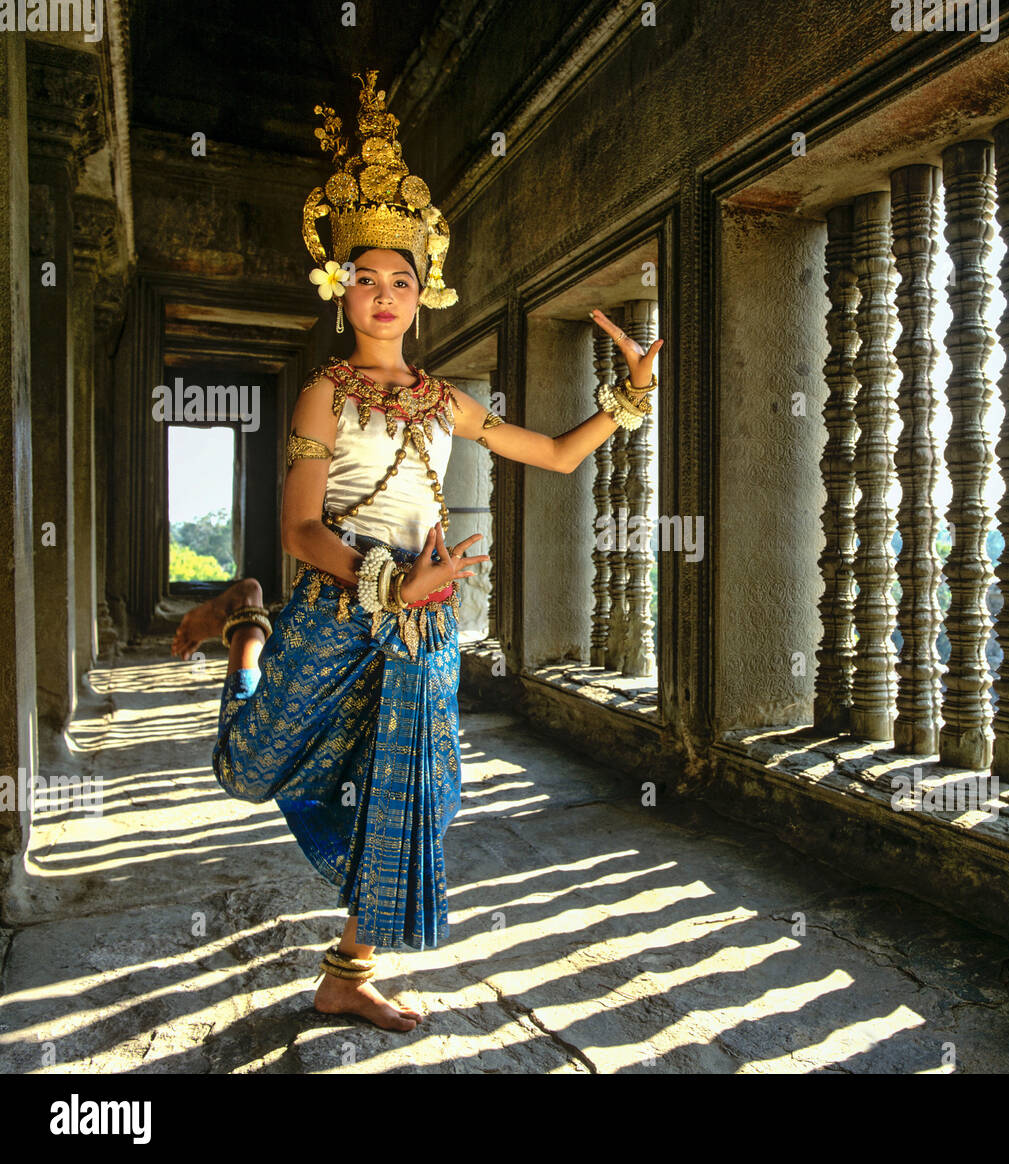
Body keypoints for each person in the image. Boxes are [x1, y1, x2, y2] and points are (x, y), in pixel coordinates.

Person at [169, 69, 663, 1032]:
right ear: (339, 287)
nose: (384, 295)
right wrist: (394, 579)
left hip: (420, 625)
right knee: (248, 768)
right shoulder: (326, 391)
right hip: (335, 603)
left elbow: (556, 456)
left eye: (402, 279)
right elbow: (301, 531)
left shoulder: (443, 401)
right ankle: (248, 624)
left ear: (424, 290)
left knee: (420, 801)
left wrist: (627, 397)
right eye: (366, 277)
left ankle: (346, 971)